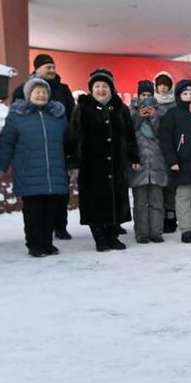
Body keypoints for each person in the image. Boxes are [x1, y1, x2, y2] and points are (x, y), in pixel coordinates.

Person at [0, 76, 70, 257]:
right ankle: (35, 245)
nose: (41, 95)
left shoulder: (57, 116)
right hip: (28, 171)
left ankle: (47, 243)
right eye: (37, 91)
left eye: (44, 92)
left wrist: (71, 164)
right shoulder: (17, 116)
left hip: (54, 172)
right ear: (29, 94)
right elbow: (7, 143)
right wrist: (1, 167)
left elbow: (68, 142)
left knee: (51, 211)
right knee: (33, 212)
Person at [69, 68, 140, 252]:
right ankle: (100, 237)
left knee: (116, 200)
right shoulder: (82, 108)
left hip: (116, 165)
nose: (101, 89)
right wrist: (74, 162)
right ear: (91, 89)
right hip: (92, 166)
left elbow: (130, 135)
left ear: (111, 88)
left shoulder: (120, 108)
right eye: (97, 86)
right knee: (95, 202)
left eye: (105, 86)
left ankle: (113, 236)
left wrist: (133, 156)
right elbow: (73, 136)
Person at [12, 54, 76, 240]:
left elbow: (71, 118)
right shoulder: (21, 90)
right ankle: (36, 235)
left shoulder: (63, 90)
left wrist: (72, 147)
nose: (52, 70)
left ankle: (60, 226)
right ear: (37, 69)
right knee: (35, 196)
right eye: (48, 67)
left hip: (59, 148)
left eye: (53, 66)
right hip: (32, 152)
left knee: (60, 190)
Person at [159, 80, 191, 243]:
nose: (188, 97)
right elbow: (166, 140)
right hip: (181, 165)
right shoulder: (172, 115)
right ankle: (186, 229)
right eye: (185, 94)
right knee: (184, 197)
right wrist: (172, 160)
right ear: (179, 96)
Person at [129, 80, 169, 244]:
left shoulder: (162, 112)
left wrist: (153, 118)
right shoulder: (130, 111)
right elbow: (127, 132)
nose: (146, 98)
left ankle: (156, 232)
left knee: (157, 202)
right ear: (138, 96)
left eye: (149, 95)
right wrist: (138, 117)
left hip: (157, 163)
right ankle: (142, 233)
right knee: (139, 203)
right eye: (143, 95)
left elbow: (165, 134)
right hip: (139, 163)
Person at [154, 70, 177, 234]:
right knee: (158, 185)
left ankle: (171, 215)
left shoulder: (176, 103)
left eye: (166, 85)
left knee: (171, 184)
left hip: (171, 148)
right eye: (160, 85)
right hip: (154, 149)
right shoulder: (149, 102)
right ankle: (158, 217)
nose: (163, 88)